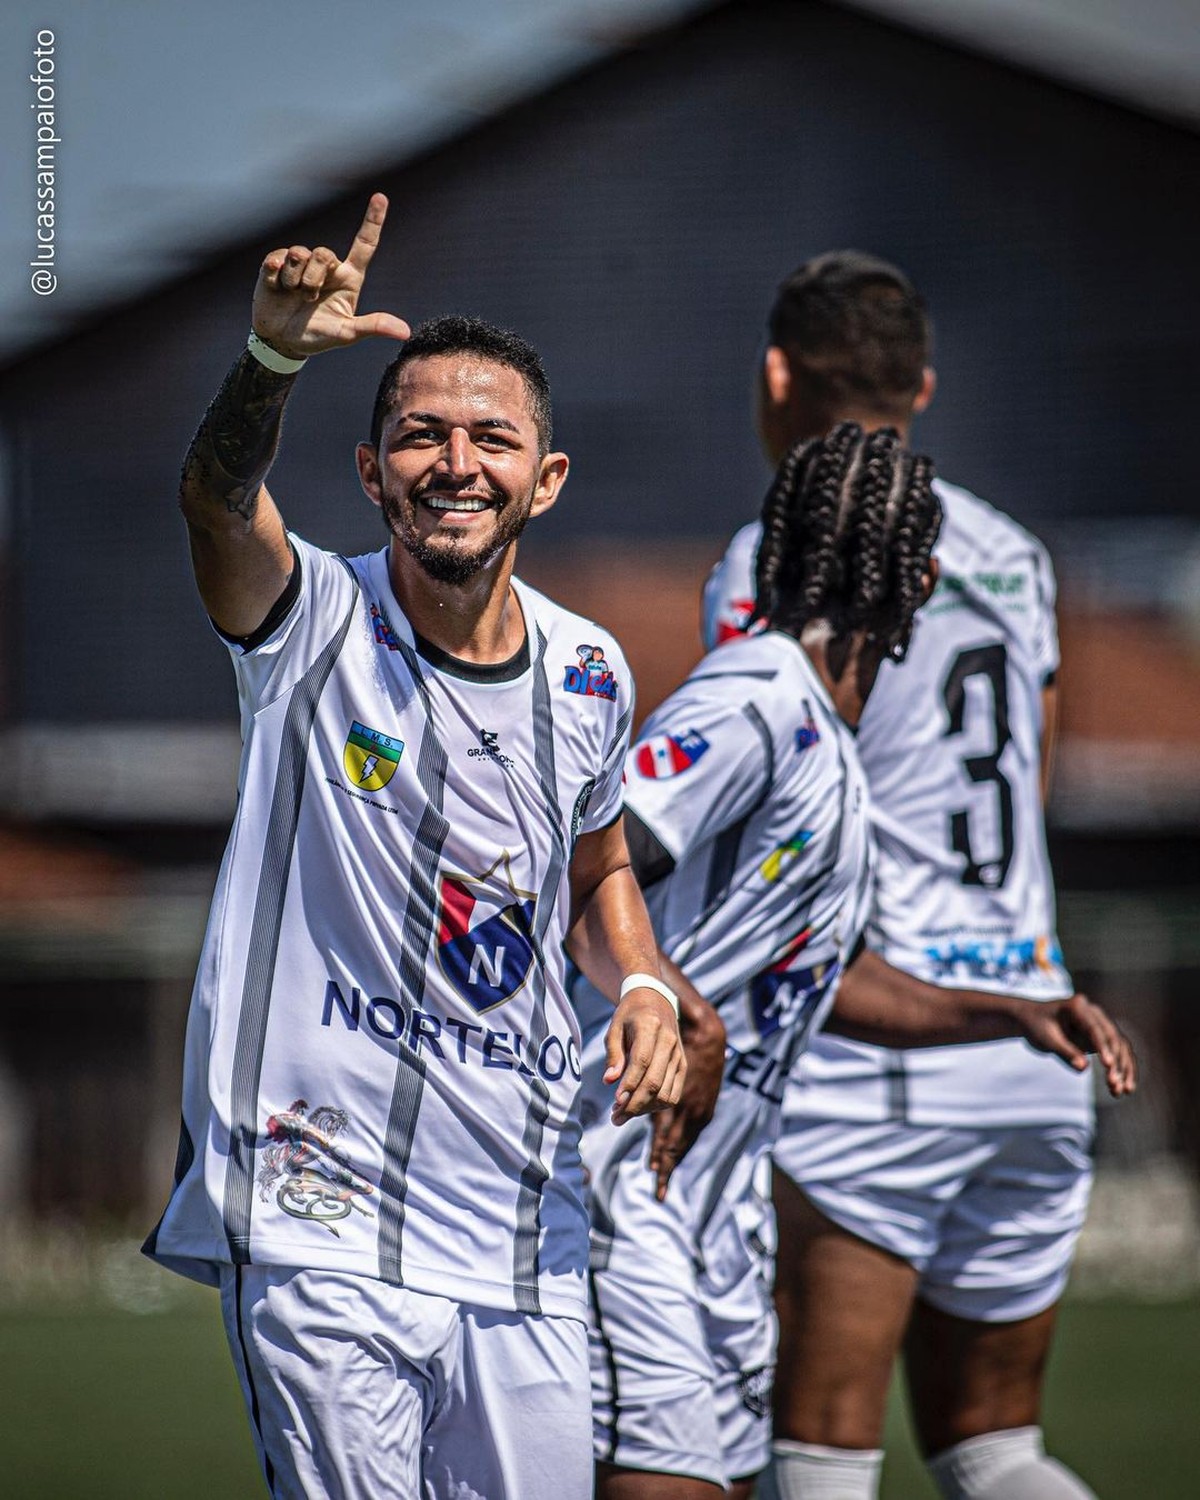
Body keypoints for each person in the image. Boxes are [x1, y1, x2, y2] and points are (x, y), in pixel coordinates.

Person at [143, 194, 687, 1500]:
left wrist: (651, 984)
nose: (456, 462)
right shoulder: (308, 619)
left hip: (523, 1234)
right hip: (318, 1220)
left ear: (544, 479)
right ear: (370, 470)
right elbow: (217, 504)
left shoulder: (595, 674)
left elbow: (601, 865)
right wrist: (273, 359)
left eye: (491, 438)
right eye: (420, 436)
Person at [573, 422, 1133, 1500]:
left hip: (715, 1205)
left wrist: (1004, 1012)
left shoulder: (834, 749)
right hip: (618, 1187)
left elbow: (816, 985)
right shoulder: (752, 697)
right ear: (921, 580)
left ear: (770, 554)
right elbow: (581, 859)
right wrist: (673, 998)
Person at [703, 252, 1116, 1500]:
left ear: (776, 377)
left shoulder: (771, 557)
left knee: (818, 1458)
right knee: (997, 1452)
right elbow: (1025, 799)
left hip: (876, 1045)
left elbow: (760, 790)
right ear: (922, 386)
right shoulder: (1018, 555)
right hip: (1037, 1035)